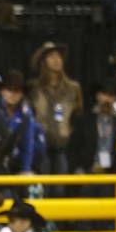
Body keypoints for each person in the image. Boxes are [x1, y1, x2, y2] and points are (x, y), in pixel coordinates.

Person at [27, 42, 83, 190]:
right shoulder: (34, 88)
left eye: (59, 56)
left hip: (63, 146)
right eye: (51, 56)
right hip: (41, 145)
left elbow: (78, 115)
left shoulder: (73, 88)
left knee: (59, 188)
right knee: (43, 188)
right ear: (43, 62)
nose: (57, 60)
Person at [70, 81, 116, 182]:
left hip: (113, 176)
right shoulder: (84, 120)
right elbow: (73, 148)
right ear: (97, 96)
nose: (107, 99)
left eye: (111, 95)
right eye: (104, 94)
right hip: (87, 174)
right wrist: (78, 170)